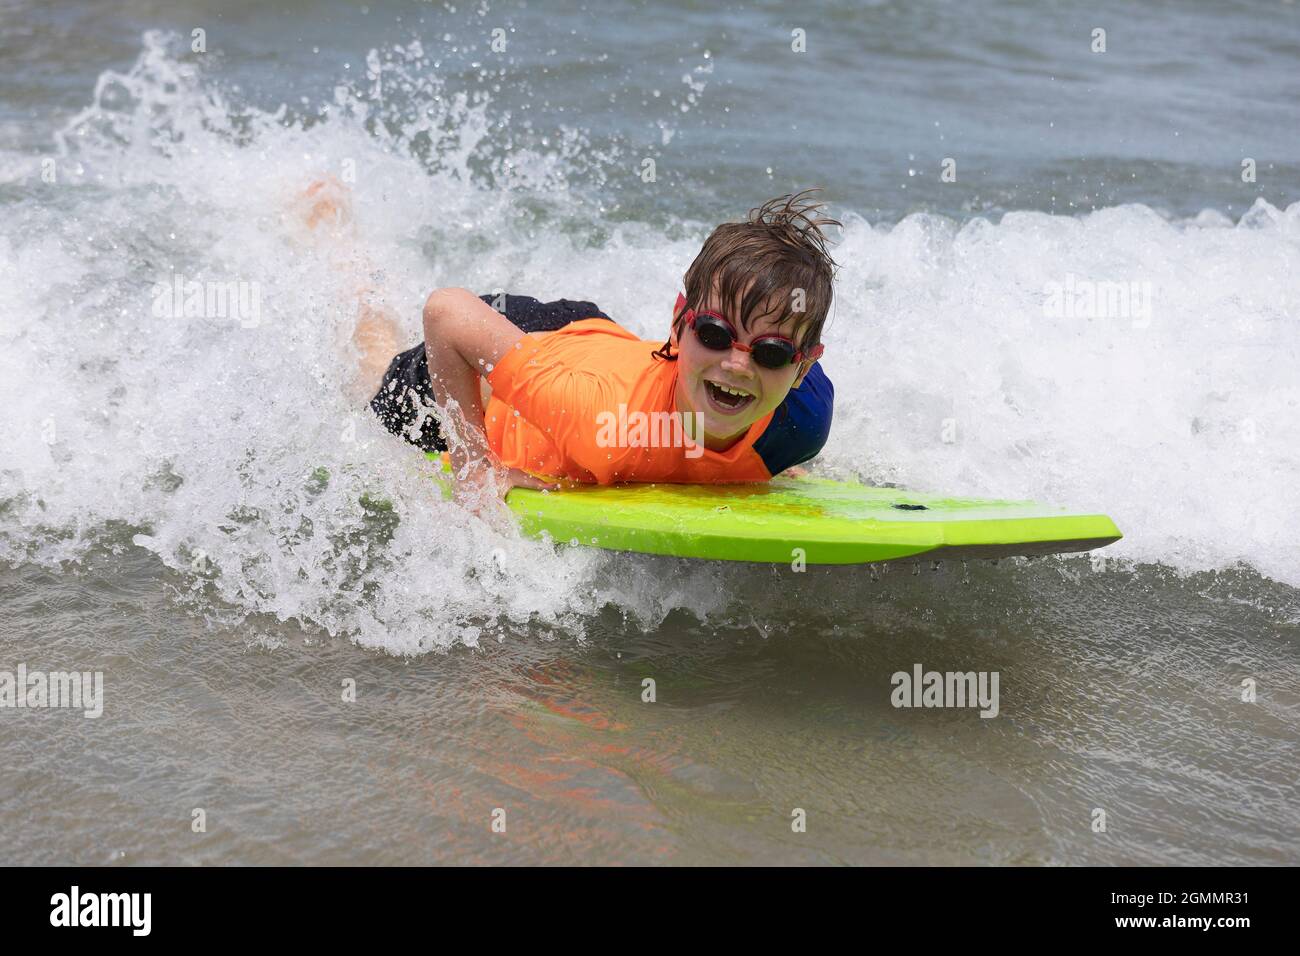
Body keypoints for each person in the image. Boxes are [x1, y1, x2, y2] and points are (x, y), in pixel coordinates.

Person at [341, 186, 837, 502]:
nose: (736, 365)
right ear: (680, 322)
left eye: (770, 352)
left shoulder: (802, 423)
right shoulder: (604, 424)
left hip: (593, 347)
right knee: (372, 376)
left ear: (801, 369)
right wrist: (473, 463)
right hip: (500, 355)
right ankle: (348, 256)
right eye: (714, 335)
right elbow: (446, 311)